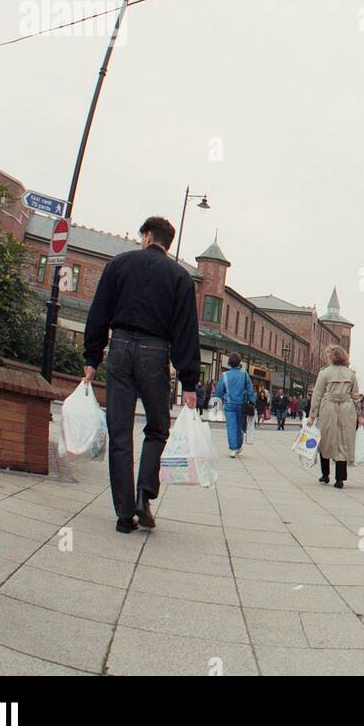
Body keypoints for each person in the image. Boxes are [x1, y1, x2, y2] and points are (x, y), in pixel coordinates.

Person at [83, 215, 200, 535]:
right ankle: (143, 494)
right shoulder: (180, 277)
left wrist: (92, 356)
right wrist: (189, 381)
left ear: (148, 236)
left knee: (119, 431)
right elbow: (186, 331)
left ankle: (123, 516)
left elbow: (99, 311)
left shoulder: (119, 264)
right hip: (155, 351)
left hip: (119, 347)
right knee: (158, 427)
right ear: (167, 241)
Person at [310, 345, 361, 489]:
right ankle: (340, 478)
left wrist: (312, 415)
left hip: (328, 408)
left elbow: (317, 395)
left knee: (325, 439)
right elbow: (356, 396)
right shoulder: (351, 374)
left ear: (331, 357)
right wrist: (359, 413)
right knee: (343, 442)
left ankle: (325, 474)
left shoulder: (324, 373)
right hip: (346, 409)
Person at [213, 353, 252, 458]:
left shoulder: (225, 376)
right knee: (239, 426)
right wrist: (252, 401)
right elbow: (250, 390)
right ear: (239, 363)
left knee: (231, 426)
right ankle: (239, 445)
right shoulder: (244, 375)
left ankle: (233, 448)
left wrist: (217, 401)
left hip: (229, 404)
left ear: (229, 363)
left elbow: (219, 390)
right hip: (241, 404)